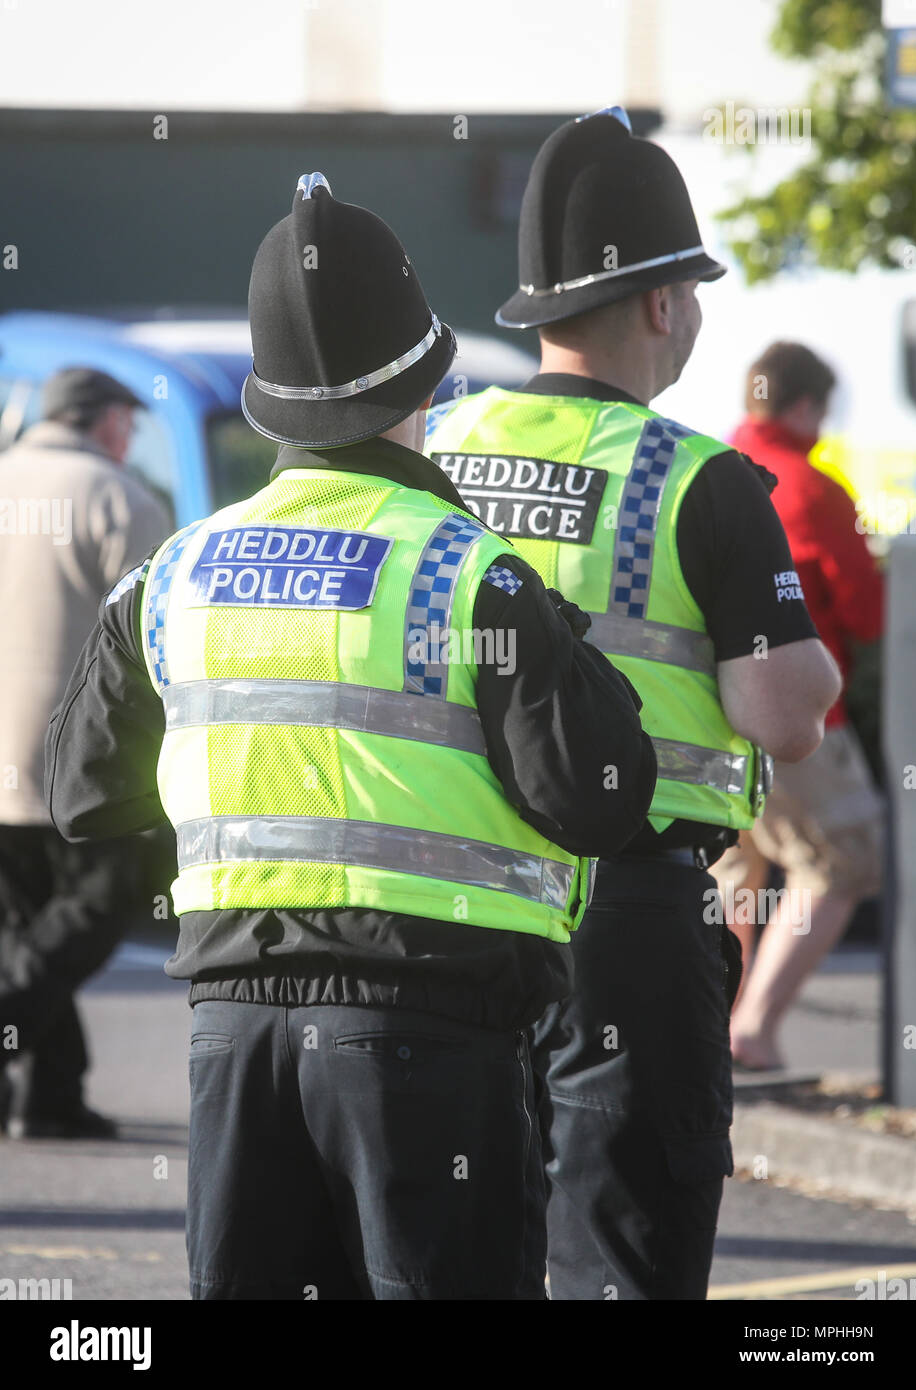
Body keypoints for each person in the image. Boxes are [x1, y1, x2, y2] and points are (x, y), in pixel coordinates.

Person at [45, 174, 656, 1299]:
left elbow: (82, 793)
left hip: (235, 1045)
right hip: (428, 1045)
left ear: (271, 403)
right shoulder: (467, 572)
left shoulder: (174, 572)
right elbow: (601, 795)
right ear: (429, 380)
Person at [427, 110, 842, 1300]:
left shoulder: (438, 448)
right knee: (623, 1244)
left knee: (467, 1243)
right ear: (663, 304)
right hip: (629, 919)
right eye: (697, 287)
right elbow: (782, 717)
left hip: (461, 905)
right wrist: (812, 672)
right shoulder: (703, 481)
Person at [0, 367, 170, 1139]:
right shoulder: (118, 498)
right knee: (91, 913)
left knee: (32, 920)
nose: (130, 440)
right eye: (128, 425)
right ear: (101, 422)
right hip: (68, 757)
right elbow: (150, 636)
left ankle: (50, 1096)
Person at [710, 342, 886, 1070]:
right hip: (802, 724)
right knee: (847, 862)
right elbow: (870, 614)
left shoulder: (710, 468)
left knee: (734, 873)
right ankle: (751, 1029)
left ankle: (712, 1033)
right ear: (806, 406)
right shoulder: (814, 490)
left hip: (709, 717)